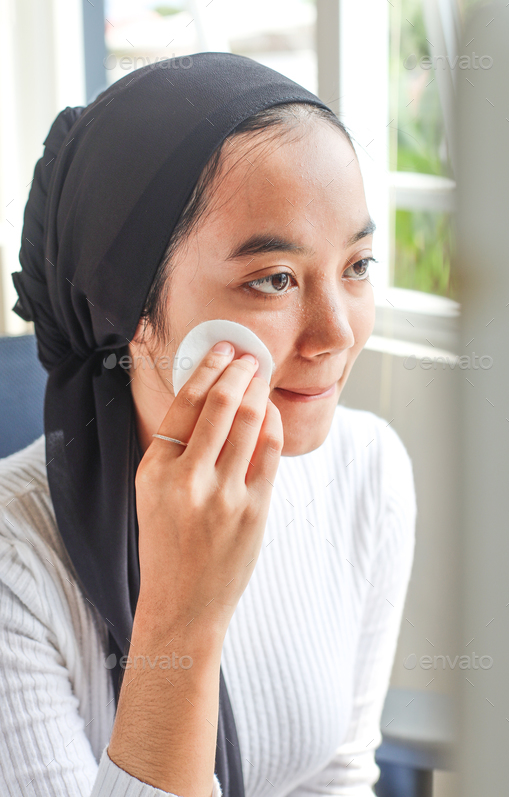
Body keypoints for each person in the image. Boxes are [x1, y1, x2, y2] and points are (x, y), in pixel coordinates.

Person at [0, 53, 416, 797]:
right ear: (127, 307)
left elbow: (337, 779)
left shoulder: (369, 470)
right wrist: (182, 617)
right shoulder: (15, 564)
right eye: (275, 279)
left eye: (357, 265)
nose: (336, 333)